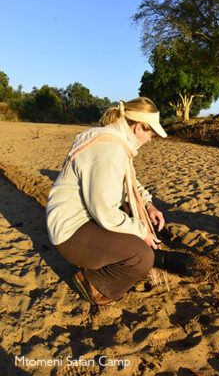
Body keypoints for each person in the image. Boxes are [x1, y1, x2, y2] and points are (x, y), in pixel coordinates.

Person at [46, 97, 167, 305]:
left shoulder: (116, 143)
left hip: (84, 219)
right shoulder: (109, 149)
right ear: (138, 128)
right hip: (69, 231)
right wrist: (141, 231)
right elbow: (105, 212)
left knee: (136, 220)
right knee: (142, 256)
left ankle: (108, 260)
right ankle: (93, 281)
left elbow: (131, 181)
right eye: (151, 134)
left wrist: (148, 205)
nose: (150, 140)